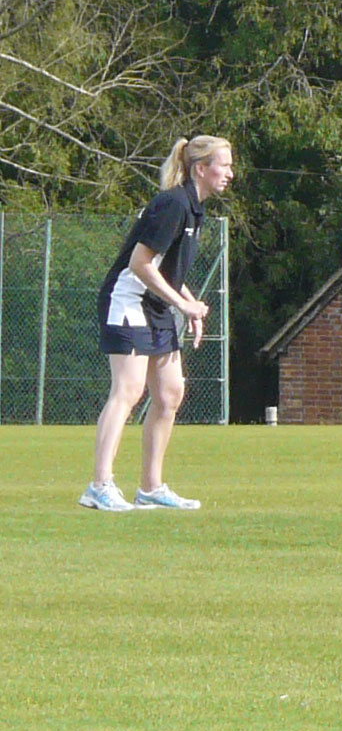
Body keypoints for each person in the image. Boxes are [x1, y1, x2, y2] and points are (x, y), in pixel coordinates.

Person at [81, 134, 235, 513]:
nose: (230, 173)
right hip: (127, 300)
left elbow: (167, 270)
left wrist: (189, 302)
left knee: (169, 394)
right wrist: (184, 305)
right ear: (201, 168)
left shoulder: (194, 209)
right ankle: (99, 486)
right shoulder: (173, 204)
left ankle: (151, 488)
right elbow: (139, 264)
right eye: (225, 165)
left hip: (155, 306)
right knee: (128, 390)